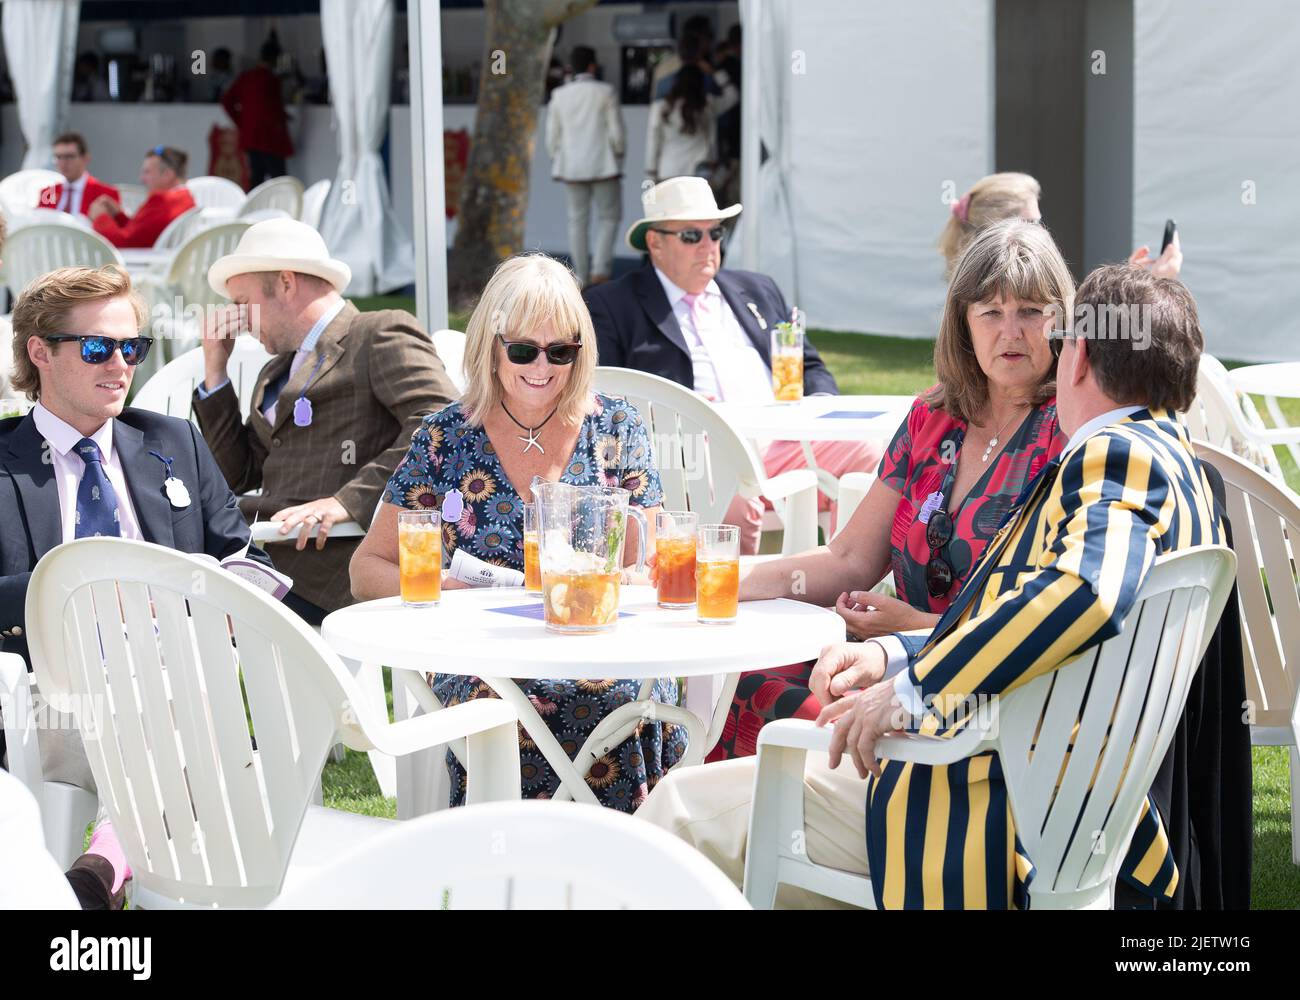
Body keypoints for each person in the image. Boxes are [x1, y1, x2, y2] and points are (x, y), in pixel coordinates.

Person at [638, 263, 1222, 910]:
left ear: (1077, 355)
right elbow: (1029, 622)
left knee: (679, 811)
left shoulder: (1117, 454)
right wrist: (893, 656)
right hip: (1055, 802)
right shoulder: (1178, 459)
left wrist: (914, 691)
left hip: (979, 813)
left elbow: (1089, 593)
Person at [709, 219, 1070, 758]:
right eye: (991, 312)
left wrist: (909, 631)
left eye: (1031, 311)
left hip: (988, 697)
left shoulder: (1068, 431)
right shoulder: (932, 416)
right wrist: (720, 580)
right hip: (894, 659)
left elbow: (1045, 618)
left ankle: (793, 825)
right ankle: (756, 830)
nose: (1011, 332)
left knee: (798, 713)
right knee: (732, 677)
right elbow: (850, 559)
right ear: (963, 325)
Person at [351, 253, 685, 811]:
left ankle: (618, 874)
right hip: (488, 658)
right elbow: (368, 570)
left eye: (561, 351)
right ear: (489, 344)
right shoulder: (447, 437)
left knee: (627, 700)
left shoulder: (616, 427)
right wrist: (454, 597)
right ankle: (510, 871)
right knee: (502, 706)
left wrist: (604, 581)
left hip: (602, 650)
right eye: (524, 349)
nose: (542, 367)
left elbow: (641, 566)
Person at [0, 265, 275, 908]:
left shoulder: (170, 441)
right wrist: (73, 597)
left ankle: (97, 873)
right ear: (40, 351)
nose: (120, 364)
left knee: (183, 696)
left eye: (134, 348)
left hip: (177, 673)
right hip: (51, 698)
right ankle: (113, 866)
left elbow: (240, 554)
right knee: (201, 726)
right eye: (98, 347)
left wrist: (231, 589)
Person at [585, 176, 881, 552]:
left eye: (716, 233)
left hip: (782, 440)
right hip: (691, 451)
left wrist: (814, 412)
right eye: (692, 236)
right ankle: (729, 601)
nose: (708, 246)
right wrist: (683, 416)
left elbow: (810, 366)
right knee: (733, 492)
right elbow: (605, 394)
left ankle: (841, 589)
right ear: (655, 242)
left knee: (866, 456)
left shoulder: (757, 289)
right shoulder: (613, 304)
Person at [192, 218, 458, 627]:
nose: (238, 320)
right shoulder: (277, 369)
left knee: (171, 608)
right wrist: (215, 368)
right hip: (259, 551)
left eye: (242, 303)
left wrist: (345, 502)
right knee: (159, 593)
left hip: (325, 566)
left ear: (285, 282)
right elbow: (235, 474)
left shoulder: (376, 331)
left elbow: (441, 425)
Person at [939, 170, 1184, 280]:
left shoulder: (976, 290)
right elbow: (1081, 340)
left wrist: (1136, 280)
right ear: (1000, 229)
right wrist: (1153, 283)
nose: (1041, 231)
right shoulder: (1007, 289)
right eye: (1031, 223)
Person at [546, 45, 625, 288]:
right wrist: (619, 154)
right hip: (603, 165)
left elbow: (552, 136)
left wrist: (557, 159)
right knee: (609, 217)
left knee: (577, 221)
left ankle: (580, 274)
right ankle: (601, 269)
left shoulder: (559, 95)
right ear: (593, 65)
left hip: (572, 167)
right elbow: (616, 132)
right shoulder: (605, 91)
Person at [644, 57, 737, 183]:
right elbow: (733, 96)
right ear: (701, 83)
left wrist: (651, 172)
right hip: (700, 174)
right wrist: (715, 72)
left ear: (675, 82)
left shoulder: (660, 108)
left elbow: (653, 141)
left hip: (669, 172)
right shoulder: (706, 105)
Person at [221, 35, 294, 187]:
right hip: (270, 138)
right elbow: (272, 108)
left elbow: (227, 101)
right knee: (279, 181)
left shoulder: (247, 77)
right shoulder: (271, 79)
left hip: (252, 137)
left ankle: (254, 210)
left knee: (256, 179)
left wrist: (242, 123)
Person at [88, 146, 196, 249]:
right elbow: (142, 233)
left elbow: (124, 242)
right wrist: (119, 216)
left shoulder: (162, 201)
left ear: (168, 174)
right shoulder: (186, 197)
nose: (142, 179)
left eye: (147, 172)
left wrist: (100, 217)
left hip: (146, 264)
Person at [35, 133, 120, 218]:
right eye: (58, 157)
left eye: (69, 156)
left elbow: (114, 229)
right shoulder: (48, 193)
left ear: (85, 158)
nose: (63, 163)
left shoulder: (105, 194)